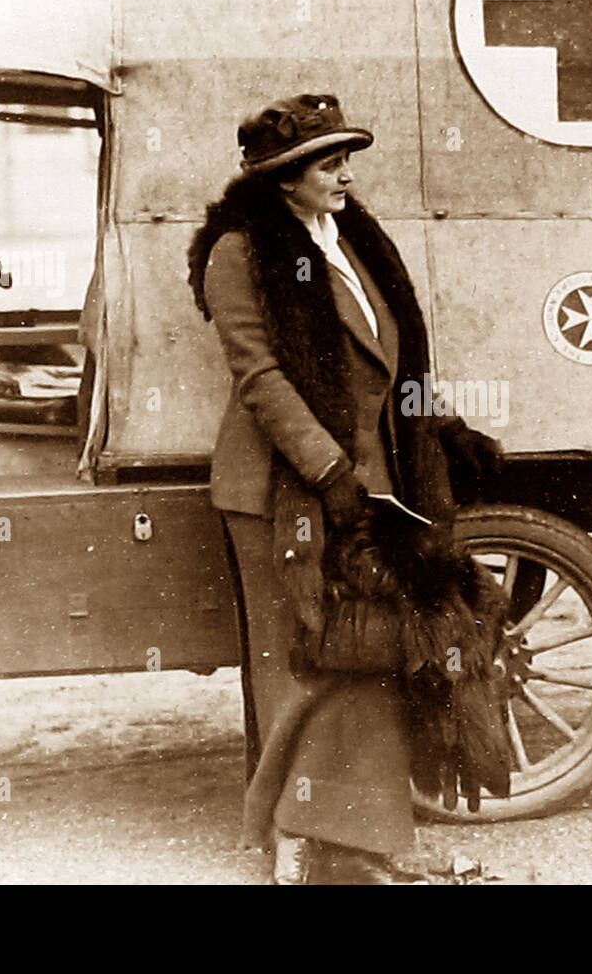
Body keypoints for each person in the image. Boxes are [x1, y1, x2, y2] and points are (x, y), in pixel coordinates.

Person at [186, 94, 509, 885]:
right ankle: (299, 846)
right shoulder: (241, 250)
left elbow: (393, 359)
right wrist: (328, 471)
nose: (345, 174)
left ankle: (351, 843)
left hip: (372, 486)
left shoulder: (349, 239)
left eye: (345, 159)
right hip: (283, 492)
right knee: (305, 668)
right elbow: (258, 375)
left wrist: (441, 428)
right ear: (285, 178)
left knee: (367, 661)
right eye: (328, 163)